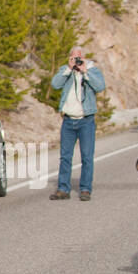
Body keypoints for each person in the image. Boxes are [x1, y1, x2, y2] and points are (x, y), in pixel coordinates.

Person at [50, 47, 106, 201]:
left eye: (79, 57)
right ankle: (63, 189)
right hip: (68, 120)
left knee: (87, 156)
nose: (77, 60)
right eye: (74, 57)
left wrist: (85, 72)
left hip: (86, 120)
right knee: (65, 157)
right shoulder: (66, 71)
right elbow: (55, 84)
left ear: (85, 58)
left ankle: (85, 189)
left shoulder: (92, 70)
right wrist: (69, 69)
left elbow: (100, 86)